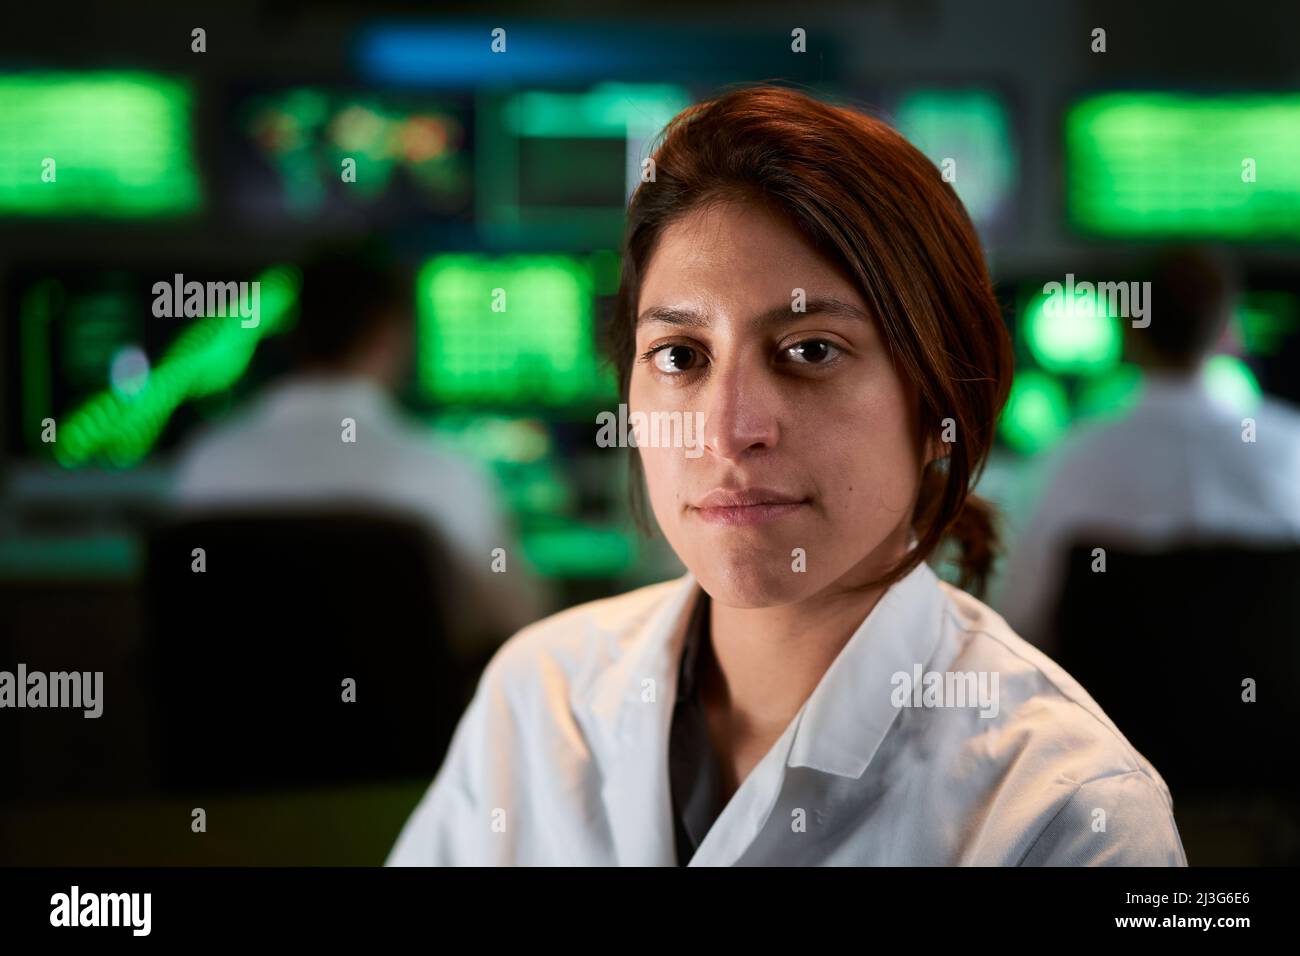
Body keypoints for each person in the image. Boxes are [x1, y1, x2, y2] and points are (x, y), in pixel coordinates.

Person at [386, 85, 1186, 866]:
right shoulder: (539, 697)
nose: (728, 431)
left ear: (942, 398)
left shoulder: (1067, 814)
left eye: (811, 350)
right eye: (680, 356)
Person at [171, 243, 545, 654]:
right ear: (390, 335)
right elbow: (519, 620)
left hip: (238, 696)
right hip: (407, 697)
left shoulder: (207, 465)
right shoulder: (444, 473)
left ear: (292, 335)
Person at [997, 247, 1300, 652]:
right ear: (1229, 331)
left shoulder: (1065, 462)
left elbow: (1016, 620)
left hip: (1104, 694)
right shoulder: (1291, 452)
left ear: (1128, 329)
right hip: (1269, 693)